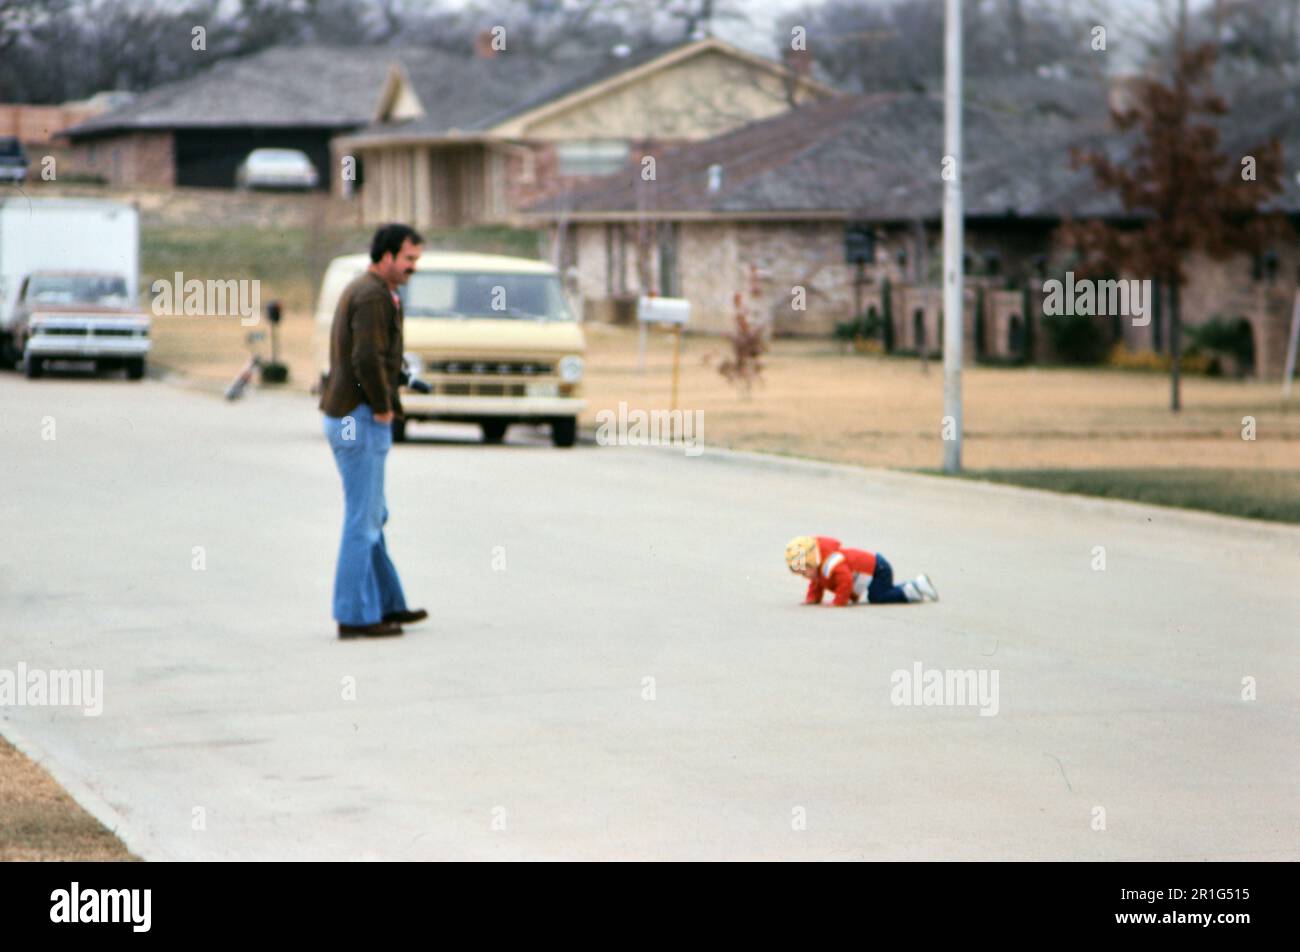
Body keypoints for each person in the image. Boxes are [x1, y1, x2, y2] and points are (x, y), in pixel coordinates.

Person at [318, 224, 429, 638]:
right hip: (358, 417)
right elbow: (366, 358)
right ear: (385, 256)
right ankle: (353, 617)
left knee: (373, 515)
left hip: (350, 413)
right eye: (409, 259)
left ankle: (386, 604)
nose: (413, 267)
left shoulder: (373, 291)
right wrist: (382, 407)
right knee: (363, 520)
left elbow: (374, 354)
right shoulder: (372, 295)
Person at [784, 535, 938, 607]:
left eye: (804, 572)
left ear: (813, 562)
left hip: (879, 569)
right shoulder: (819, 569)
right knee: (880, 594)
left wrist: (839, 601)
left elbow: (845, 580)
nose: (804, 576)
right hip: (876, 569)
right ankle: (913, 589)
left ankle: (915, 587)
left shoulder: (831, 563)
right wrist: (813, 599)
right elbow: (817, 584)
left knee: (877, 596)